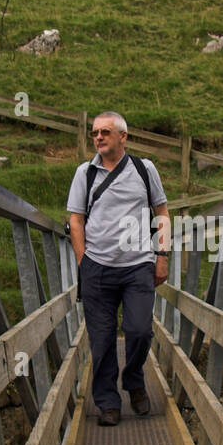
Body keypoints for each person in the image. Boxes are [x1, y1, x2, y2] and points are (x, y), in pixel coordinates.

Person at [66, 111, 170, 426]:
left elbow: (161, 211)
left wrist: (162, 255)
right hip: (98, 267)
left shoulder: (143, 168)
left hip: (138, 265)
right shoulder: (84, 173)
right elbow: (75, 219)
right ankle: (108, 402)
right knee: (102, 339)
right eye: (95, 132)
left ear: (122, 137)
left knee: (139, 331)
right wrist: (84, 262)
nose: (98, 137)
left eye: (106, 132)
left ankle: (134, 380)